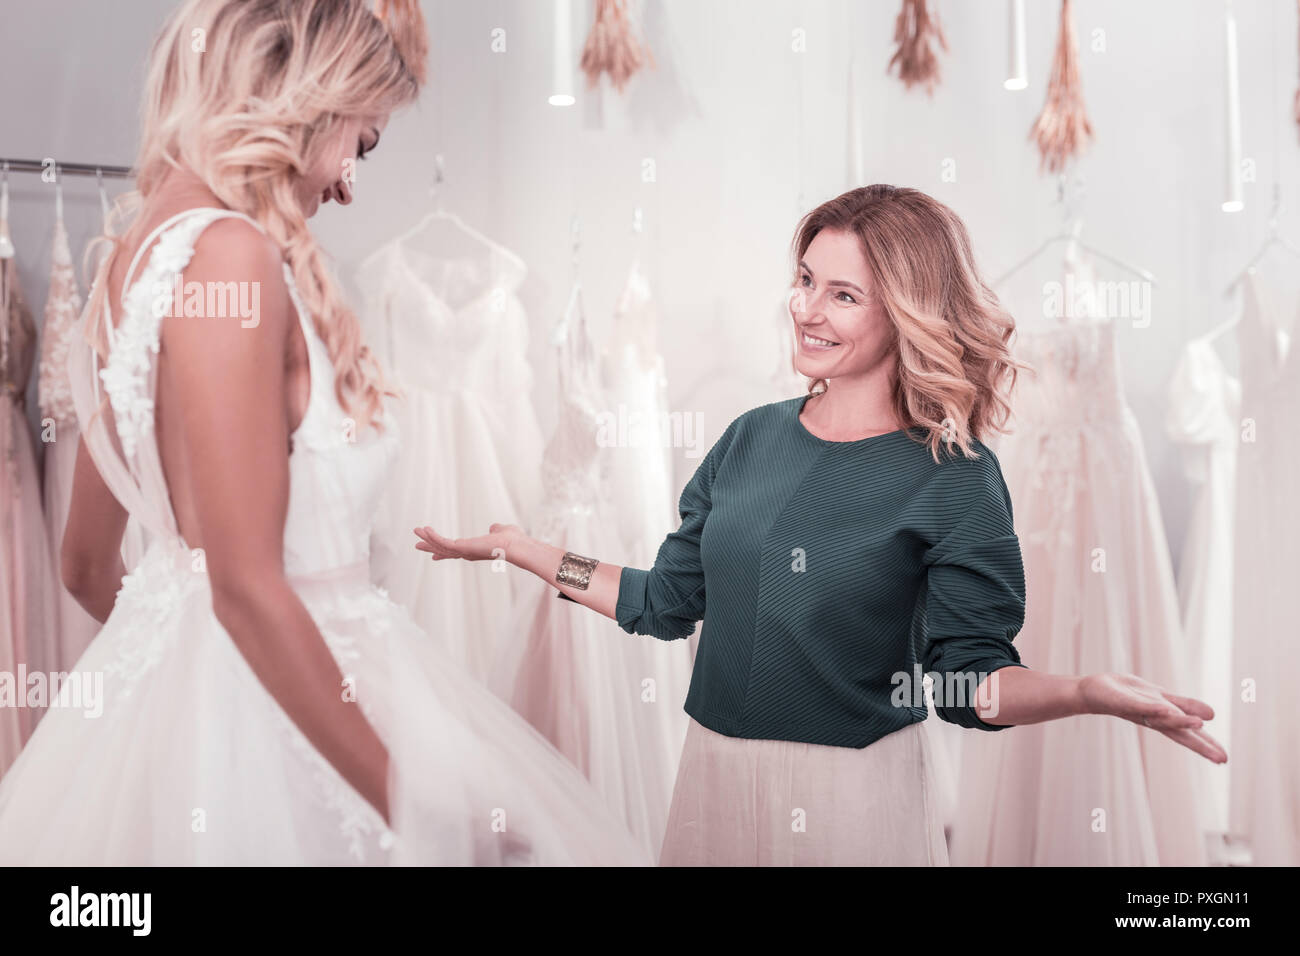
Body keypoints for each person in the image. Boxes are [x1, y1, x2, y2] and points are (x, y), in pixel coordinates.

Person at [0, 0, 649, 866]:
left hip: (212, 720)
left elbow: (86, 564)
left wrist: (183, 666)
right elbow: (245, 585)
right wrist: (425, 818)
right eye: (361, 141)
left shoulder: (128, 262)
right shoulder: (231, 256)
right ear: (298, 98)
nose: (348, 182)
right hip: (307, 731)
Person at [416, 184, 1228, 866]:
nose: (806, 310)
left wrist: (1086, 692)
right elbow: (665, 602)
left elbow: (963, 683)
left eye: (843, 295)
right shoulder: (748, 438)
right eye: (805, 280)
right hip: (712, 782)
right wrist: (519, 548)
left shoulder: (955, 477)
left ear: (906, 313)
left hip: (853, 803)